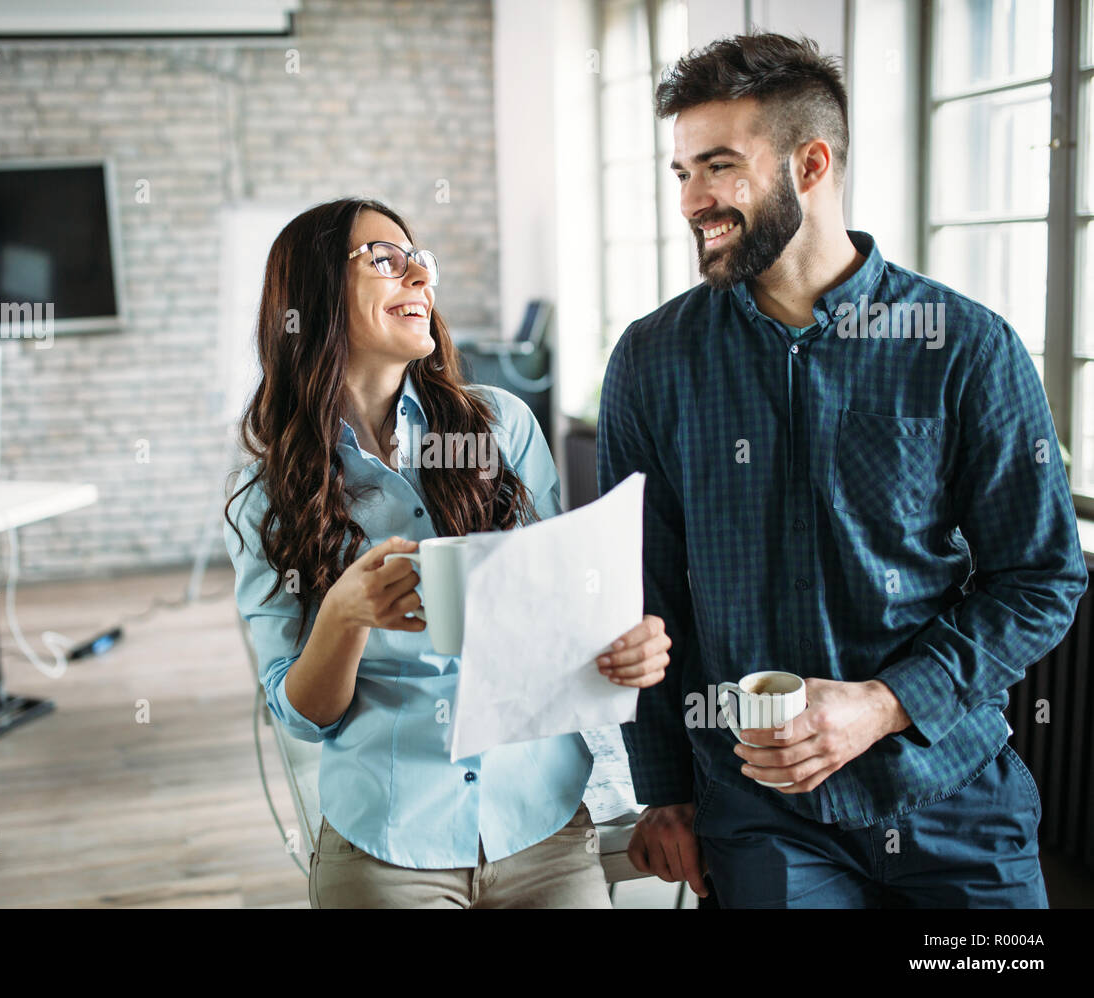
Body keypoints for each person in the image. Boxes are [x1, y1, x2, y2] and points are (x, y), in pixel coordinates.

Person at [597, 32, 1087, 908]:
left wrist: (884, 702)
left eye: (719, 168)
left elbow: (1042, 578)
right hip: (761, 814)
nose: (693, 200)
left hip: (953, 799)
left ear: (810, 163)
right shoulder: (652, 360)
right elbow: (643, 590)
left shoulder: (966, 348)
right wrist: (664, 789)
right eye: (681, 173)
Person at [225, 197, 671, 908]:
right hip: (390, 837)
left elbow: (563, 617)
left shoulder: (502, 427)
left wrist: (626, 647)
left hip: (543, 822)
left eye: (420, 261)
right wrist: (344, 617)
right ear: (312, 295)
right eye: (386, 260)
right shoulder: (266, 495)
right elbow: (305, 716)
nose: (419, 278)